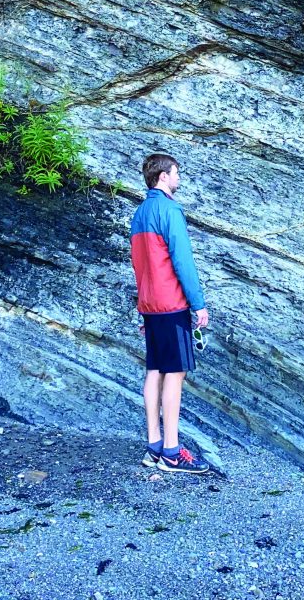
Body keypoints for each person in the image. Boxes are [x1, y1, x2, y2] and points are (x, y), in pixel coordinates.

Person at [130, 152, 212, 476]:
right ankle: (172, 452)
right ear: (163, 177)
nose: (178, 179)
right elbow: (183, 262)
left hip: (150, 305)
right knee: (175, 373)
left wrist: (143, 305)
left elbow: (139, 264)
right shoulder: (169, 211)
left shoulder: (139, 214)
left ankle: (154, 446)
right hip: (171, 303)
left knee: (154, 370)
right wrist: (198, 303)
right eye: (176, 173)